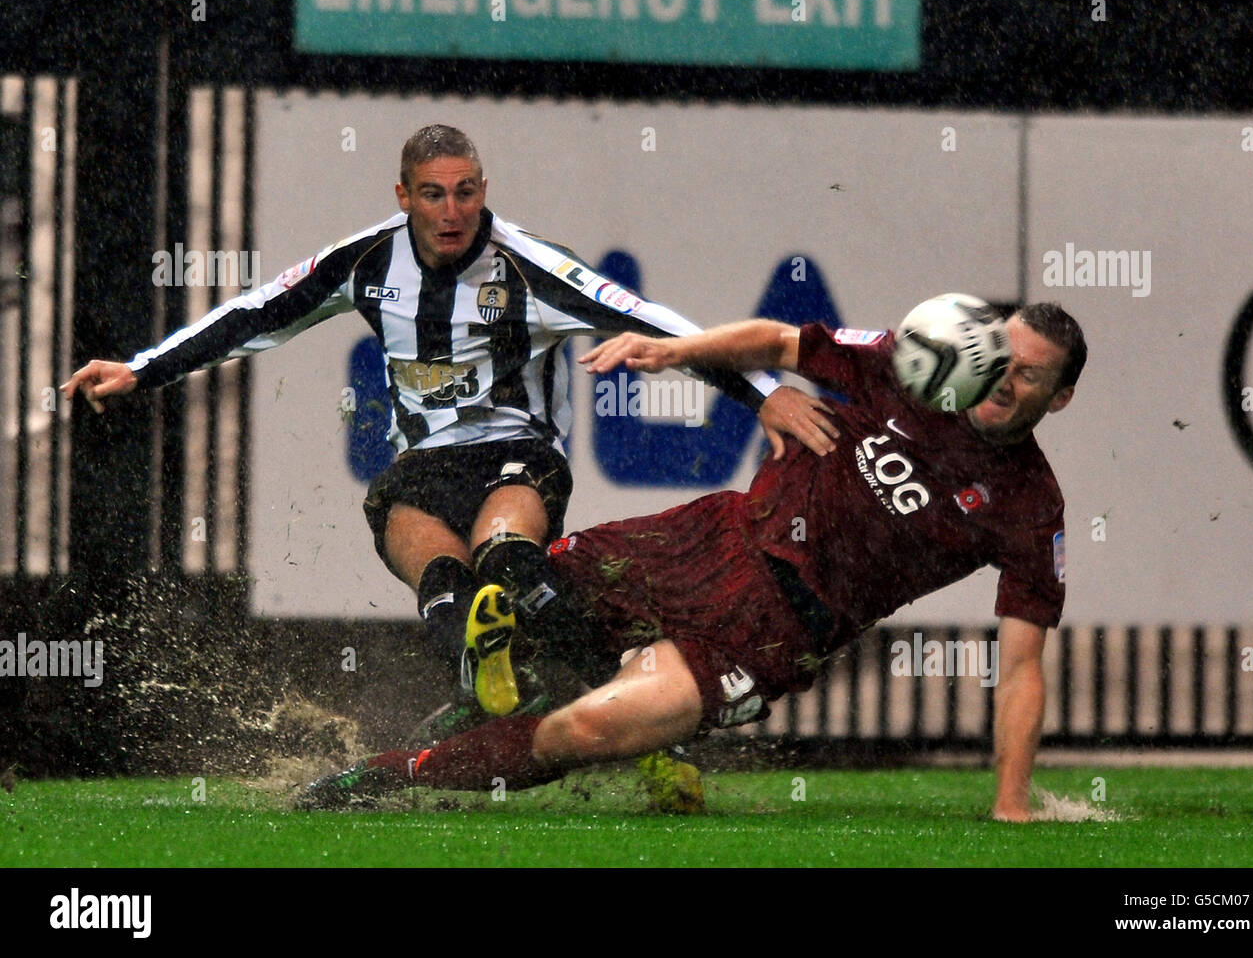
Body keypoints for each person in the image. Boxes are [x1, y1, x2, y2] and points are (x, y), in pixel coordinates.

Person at [60, 124, 831, 720]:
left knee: (508, 565)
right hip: (419, 468)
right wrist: (141, 367)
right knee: (445, 587)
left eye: (466, 191)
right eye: (434, 193)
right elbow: (256, 313)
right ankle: (503, 700)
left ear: (484, 189)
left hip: (516, 451)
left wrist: (761, 392)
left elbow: (649, 318)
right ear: (402, 195)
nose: (453, 210)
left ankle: (649, 695)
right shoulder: (365, 261)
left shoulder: (528, 267)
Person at [298, 303, 1086, 822]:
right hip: (711, 536)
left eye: (1028, 374)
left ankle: (399, 773)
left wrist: (1011, 802)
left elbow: (1021, 665)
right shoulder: (912, 362)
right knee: (523, 594)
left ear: (1059, 398)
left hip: (773, 632)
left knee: (589, 724)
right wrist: (674, 351)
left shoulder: (1029, 507)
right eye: (1000, 357)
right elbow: (780, 341)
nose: (1000, 378)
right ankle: (512, 702)